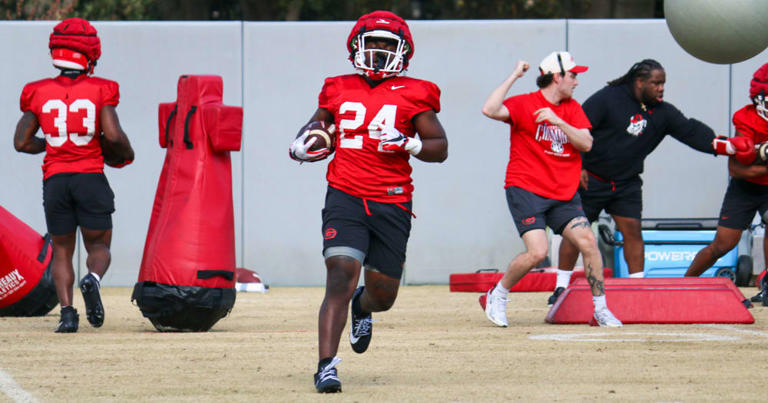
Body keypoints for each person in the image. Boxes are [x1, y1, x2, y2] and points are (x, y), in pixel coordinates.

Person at [288, 11, 448, 393]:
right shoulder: (337, 86)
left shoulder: (417, 92)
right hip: (345, 195)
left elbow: (440, 147)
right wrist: (302, 144)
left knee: (383, 295)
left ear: (403, 51)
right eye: (372, 42)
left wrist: (409, 143)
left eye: (387, 44)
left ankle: (363, 306)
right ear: (356, 47)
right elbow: (316, 127)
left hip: (392, 202)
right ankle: (326, 367)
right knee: (340, 273)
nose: (378, 49)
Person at [550, 59, 754, 306]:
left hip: (626, 183)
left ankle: (636, 288)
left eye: (663, 83)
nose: (661, 88)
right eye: (656, 83)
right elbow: (576, 129)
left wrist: (727, 146)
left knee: (633, 231)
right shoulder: (607, 98)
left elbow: (690, 131)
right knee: (576, 232)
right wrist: (578, 165)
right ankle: (561, 287)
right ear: (639, 82)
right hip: (591, 179)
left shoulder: (662, 113)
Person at [480, 51, 622, 328]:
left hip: (563, 193)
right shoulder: (525, 103)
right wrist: (514, 76)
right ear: (557, 77)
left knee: (588, 242)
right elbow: (490, 109)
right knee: (537, 252)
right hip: (526, 188)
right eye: (573, 75)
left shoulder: (572, 108)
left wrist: (558, 121)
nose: (577, 81)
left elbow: (586, 143)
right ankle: (498, 293)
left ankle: (600, 309)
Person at [13, 18, 134, 333]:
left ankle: (67, 315)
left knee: (62, 251)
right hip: (89, 177)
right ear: (90, 52)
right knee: (99, 247)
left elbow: (21, 142)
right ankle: (92, 279)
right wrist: (126, 153)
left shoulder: (37, 91)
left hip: (56, 181)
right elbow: (114, 135)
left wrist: (54, 143)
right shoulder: (101, 89)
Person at [685, 63, 768, 308]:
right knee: (723, 244)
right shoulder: (746, 119)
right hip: (745, 188)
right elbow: (736, 170)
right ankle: (684, 283)